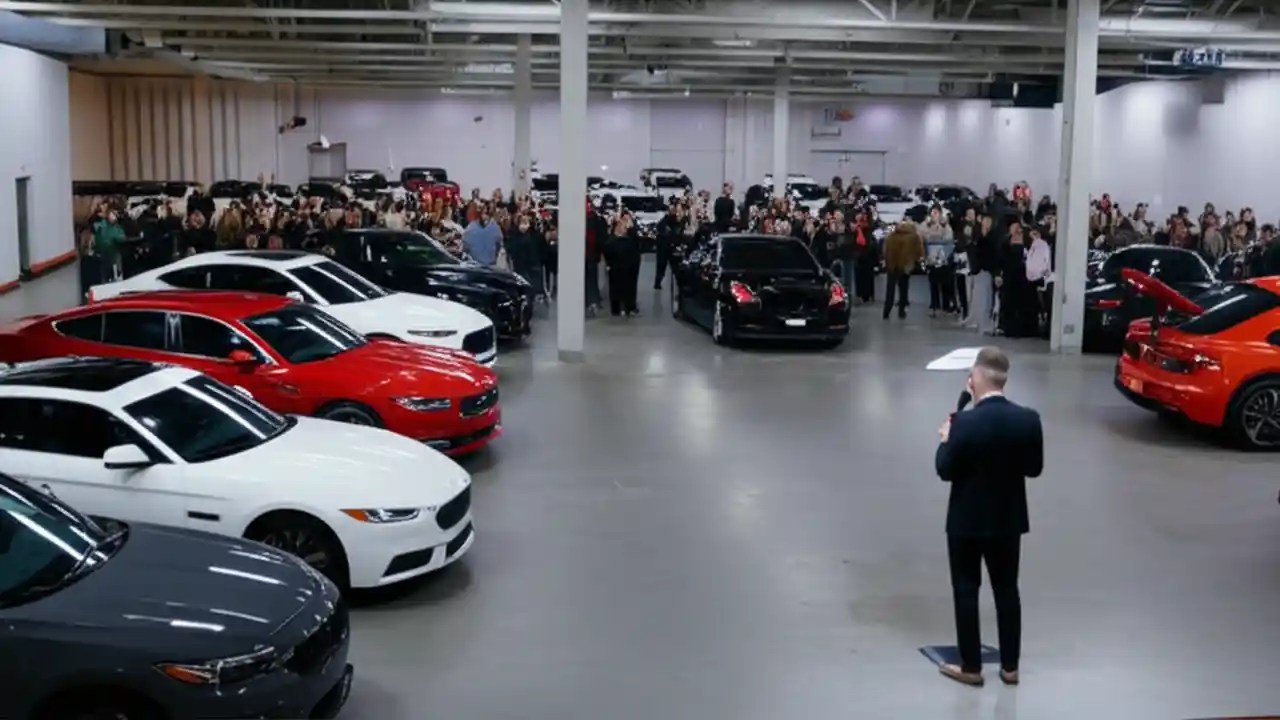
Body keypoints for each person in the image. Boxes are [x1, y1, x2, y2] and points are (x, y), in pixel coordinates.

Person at [935, 347, 1043, 688]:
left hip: (966, 522)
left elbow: (944, 469)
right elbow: (1034, 469)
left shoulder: (963, 422)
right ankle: (1010, 667)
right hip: (1008, 521)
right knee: (1007, 590)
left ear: (975, 378)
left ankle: (971, 667)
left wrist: (945, 439)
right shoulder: (1028, 419)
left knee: (967, 590)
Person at [881, 220, 923, 320]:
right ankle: (901, 311)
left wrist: (886, 261)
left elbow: (885, 250)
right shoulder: (914, 237)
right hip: (905, 265)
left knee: (890, 288)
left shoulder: (892, 236)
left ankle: (886, 311)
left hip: (891, 264)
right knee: (903, 289)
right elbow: (919, 252)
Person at [604, 214, 641, 317]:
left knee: (626, 289)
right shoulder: (613, 241)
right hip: (618, 267)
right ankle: (620, 308)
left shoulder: (627, 240)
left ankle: (626, 307)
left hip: (626, 268)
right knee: (618, 289)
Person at [923, 207, 956, 317]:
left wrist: (937, 235)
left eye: (936, 213)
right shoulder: (927, 226)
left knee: (945, 284)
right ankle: (934, 306)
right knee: (933, 284)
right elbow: (924, 236)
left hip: (943, 259)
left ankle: (946, 306)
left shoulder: (946, 226)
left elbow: (948, 238)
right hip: (932, 260)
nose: (934, 215)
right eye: (933, 213)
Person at [654, 203, 683, 290]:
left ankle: (658, 283)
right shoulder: (667, 221)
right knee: (665, 266)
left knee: (667, 266)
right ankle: (658, 282)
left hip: (666, 247)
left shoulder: (668, 221)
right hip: (666, 247)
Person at [92, 210, 126, 282]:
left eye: (115, 216)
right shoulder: (102, 227)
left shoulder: (118, 228)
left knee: (116, 272)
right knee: (106, 273)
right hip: (105, 254)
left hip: (114, 253)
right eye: (112, 215)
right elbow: (99, 239)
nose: (113, 218)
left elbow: (122, 238)